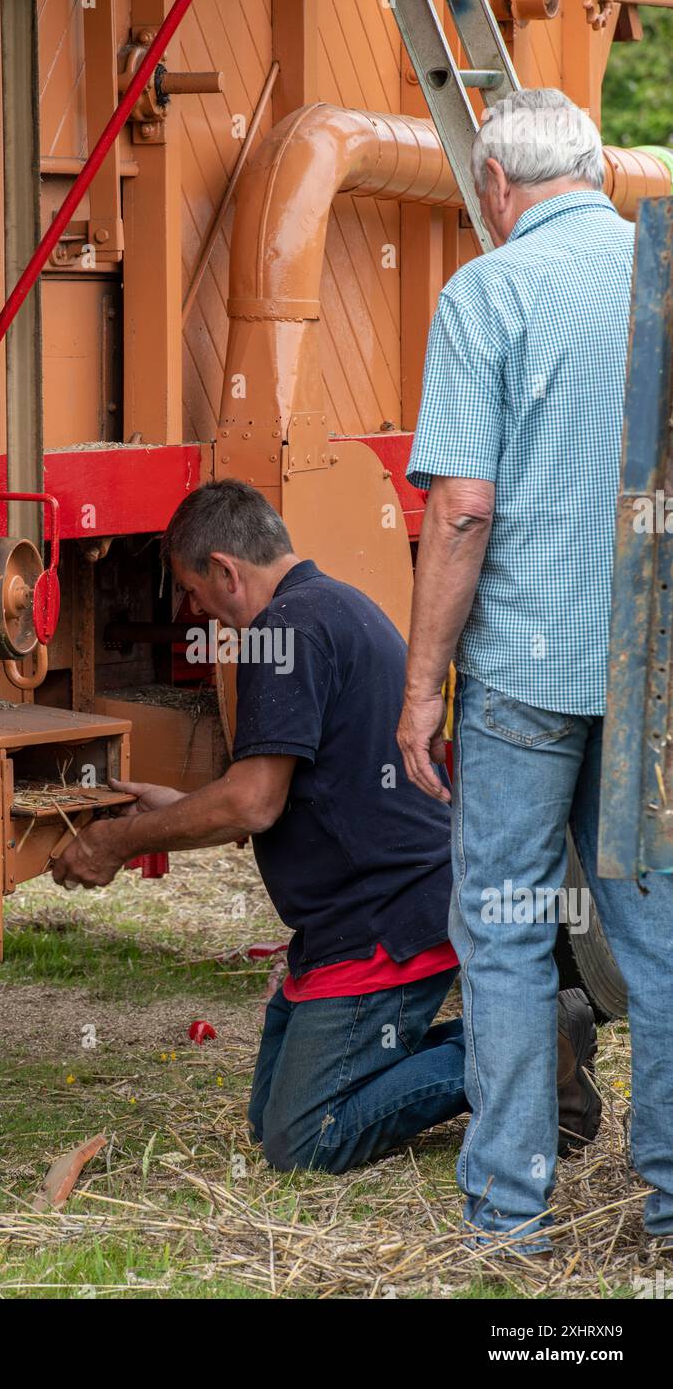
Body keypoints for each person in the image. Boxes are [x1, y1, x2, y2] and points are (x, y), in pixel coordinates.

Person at [54, 479, 597, 1174]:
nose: (194, 610)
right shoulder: (334, 605)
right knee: (265, 1123)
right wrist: (177, 804)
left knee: (306, 1140)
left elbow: (255, 802)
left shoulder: (281, 632)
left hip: (385, 922)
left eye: (191, 590)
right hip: (387, 907)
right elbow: (309, 788)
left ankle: (523, 1050)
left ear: (225, 570)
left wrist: (114, 840)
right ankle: (523, 1033)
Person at [397, 87, 670, 1255]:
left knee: (505, 926)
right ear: (593, 171)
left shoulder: (486, 289)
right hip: (648, 665)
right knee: (655, 929)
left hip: (522, 670)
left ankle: (508, 1220)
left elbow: (461, 508)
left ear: (495, 185)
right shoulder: (657, 275)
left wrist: (419, 687)